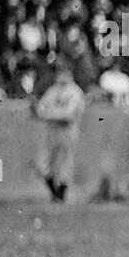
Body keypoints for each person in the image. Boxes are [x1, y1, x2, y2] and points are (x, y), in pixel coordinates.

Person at [33, 60, 85, 202]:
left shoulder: (75, 91)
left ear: (70, 73)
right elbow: (40, 109)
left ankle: (60, 197)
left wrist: (50, 114)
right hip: (52, 131)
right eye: (59, 70)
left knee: (64, 166)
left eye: (64, 70)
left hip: (67, 131)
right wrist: (52, 114)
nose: (61, 74)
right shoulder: (53, 90)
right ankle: (54, 193)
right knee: (42, 165)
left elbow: (68, 116)